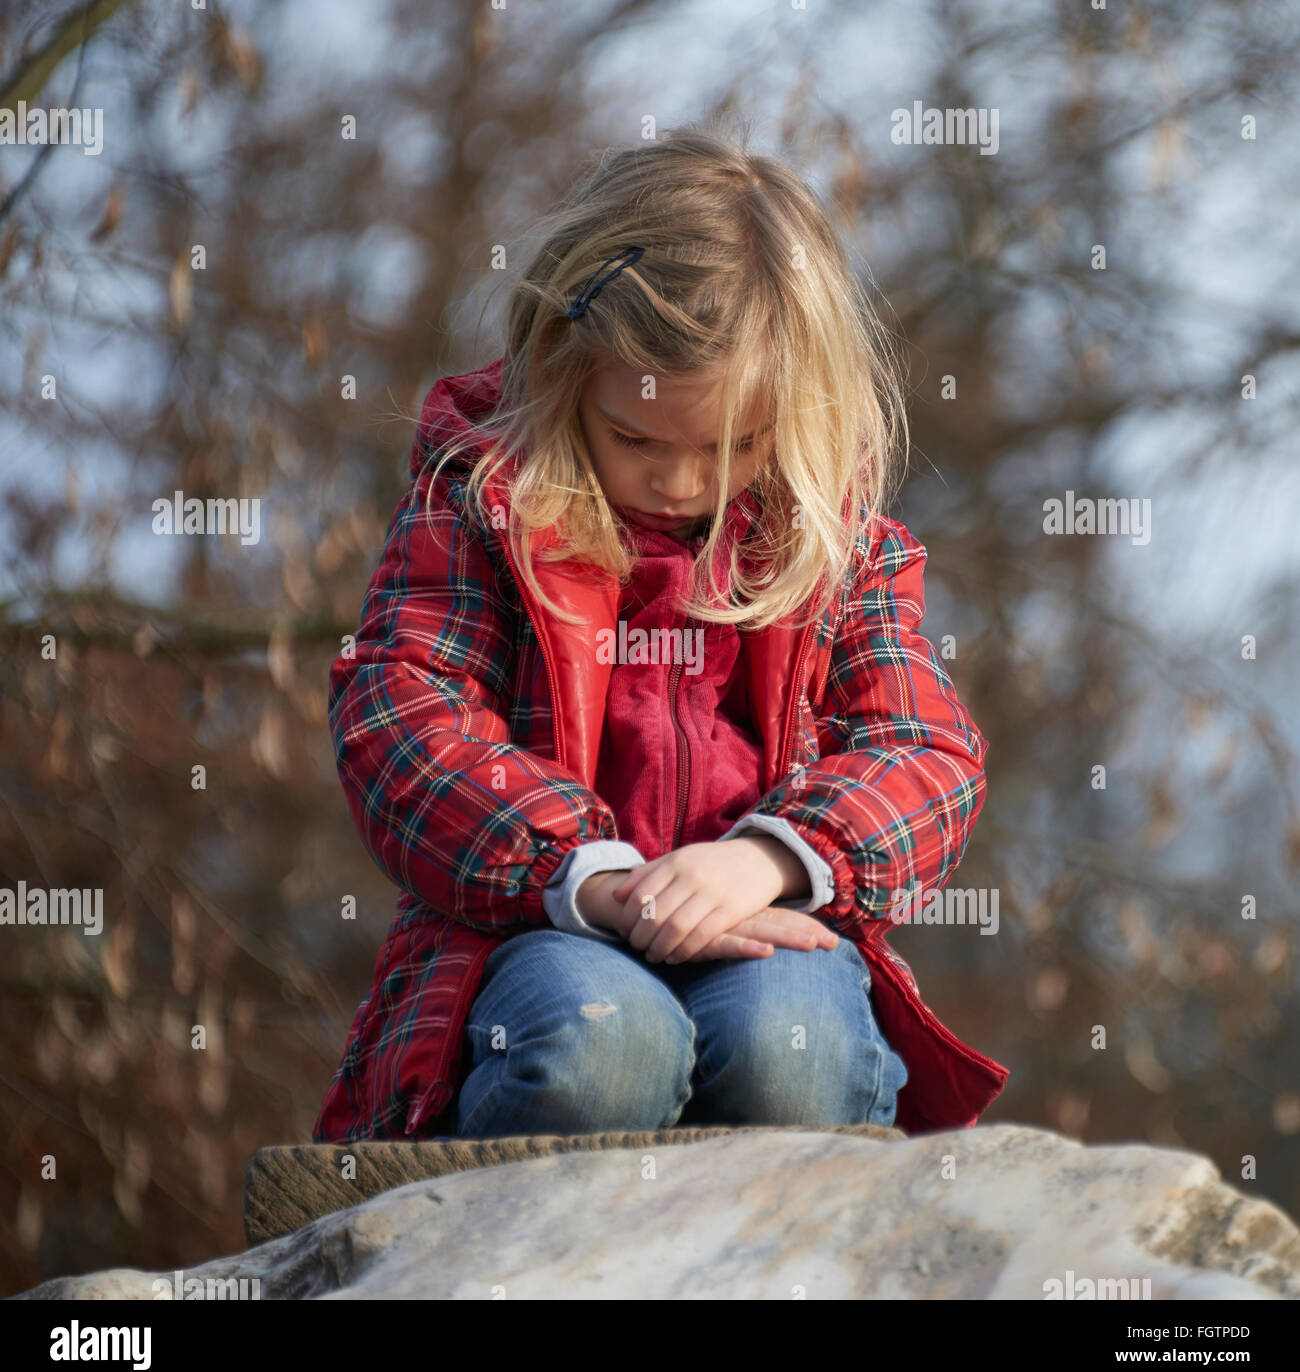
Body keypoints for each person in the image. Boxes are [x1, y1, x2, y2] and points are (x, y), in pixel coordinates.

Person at [313, 126, 1008, 1145]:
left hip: (771, 933)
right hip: (537, 928)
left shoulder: (842, 548)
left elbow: (925, 754)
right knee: (606, 1046)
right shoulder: (477, 511)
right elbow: (398, 714)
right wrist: (587, 874)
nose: (680, 482)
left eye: (732, 446)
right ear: (561, 370)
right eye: (635, 438)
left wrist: (772, 856)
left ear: (800, 411)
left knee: (791, 1054)